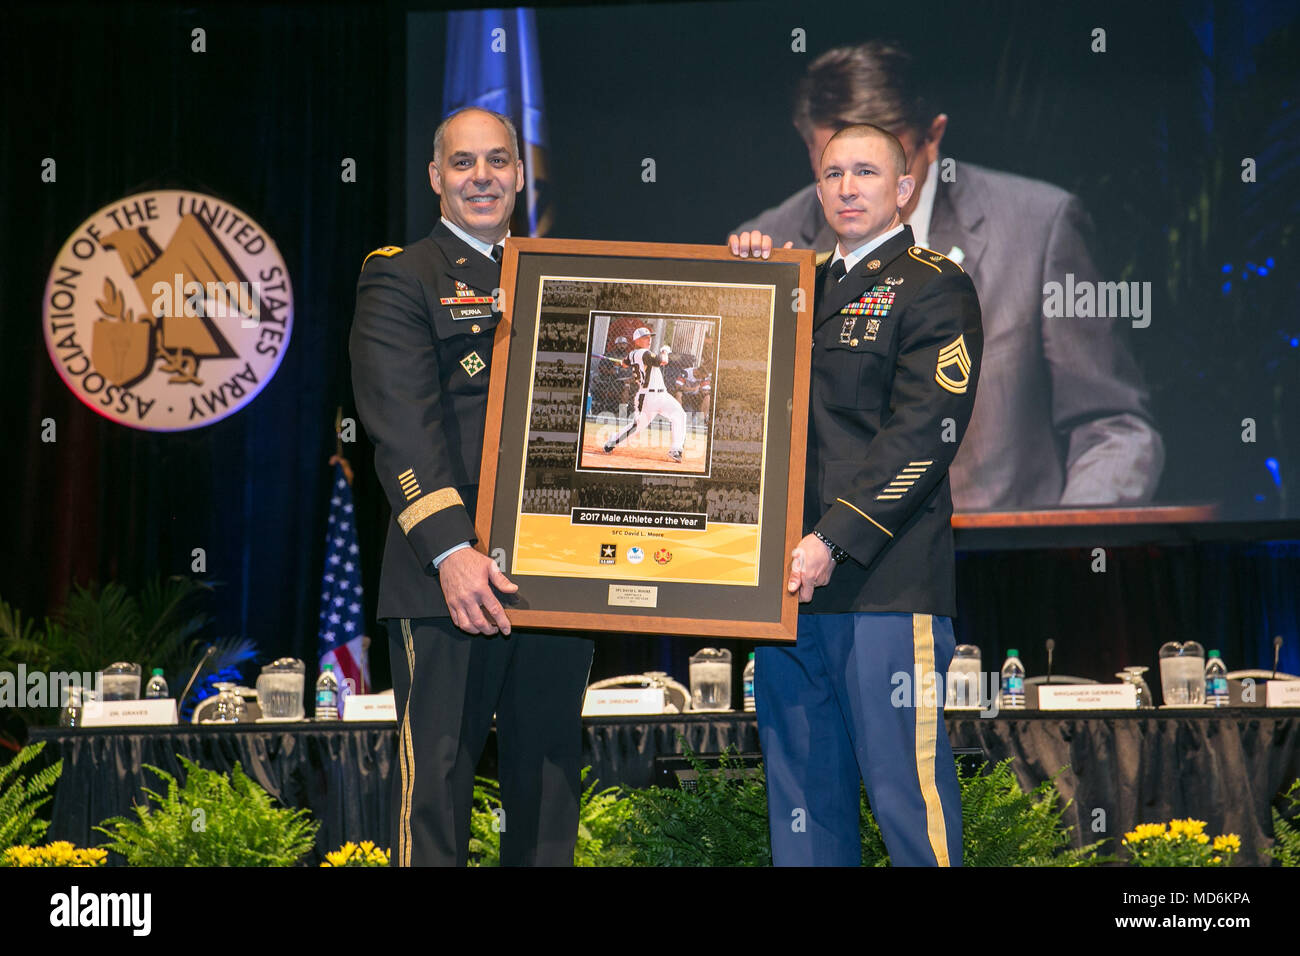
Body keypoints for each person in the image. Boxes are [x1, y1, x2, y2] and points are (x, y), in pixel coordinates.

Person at [733, 40, 1162, 510]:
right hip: (825, 565)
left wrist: (1057, 553)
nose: (855, 190)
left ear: (933, 137)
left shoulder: (1037, 228)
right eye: (831, 162)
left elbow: (1113, 428)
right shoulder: (768, 245)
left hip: (993, 560)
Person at [731, 122, 981, 866]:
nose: (847, 188)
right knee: (805, 813)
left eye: (866, 172)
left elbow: (923, 437)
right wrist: (746, 278)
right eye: (833, 173)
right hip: (785, 592)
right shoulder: (796, 283)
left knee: (910, 806)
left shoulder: (936, 283)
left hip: (884, 588)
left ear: (904, 188)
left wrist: (831, 539)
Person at [349, 106, 593, 867]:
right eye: (463, 163)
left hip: (554, 567)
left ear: (521, 175)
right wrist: (452, 549)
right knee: (439, 788)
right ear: (435, 177)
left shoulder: (566, 280)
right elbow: (401, 427)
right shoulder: (401, 274)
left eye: (497, 161)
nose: (481, 177)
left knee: (550, 781)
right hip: (447, 576)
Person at [601, 326, 687, 462]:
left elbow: (624, 363)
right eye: (645, 338)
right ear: (637, 340)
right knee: (638, 426)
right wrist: (665, 351)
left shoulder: (632, 355)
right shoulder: (644, 354)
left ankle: (676, 449)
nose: (649, 340)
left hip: (662, 395)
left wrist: (624, 362)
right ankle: (612, 441)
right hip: (648, 397)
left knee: (679, 414)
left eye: (649, 337)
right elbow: (663, 361)